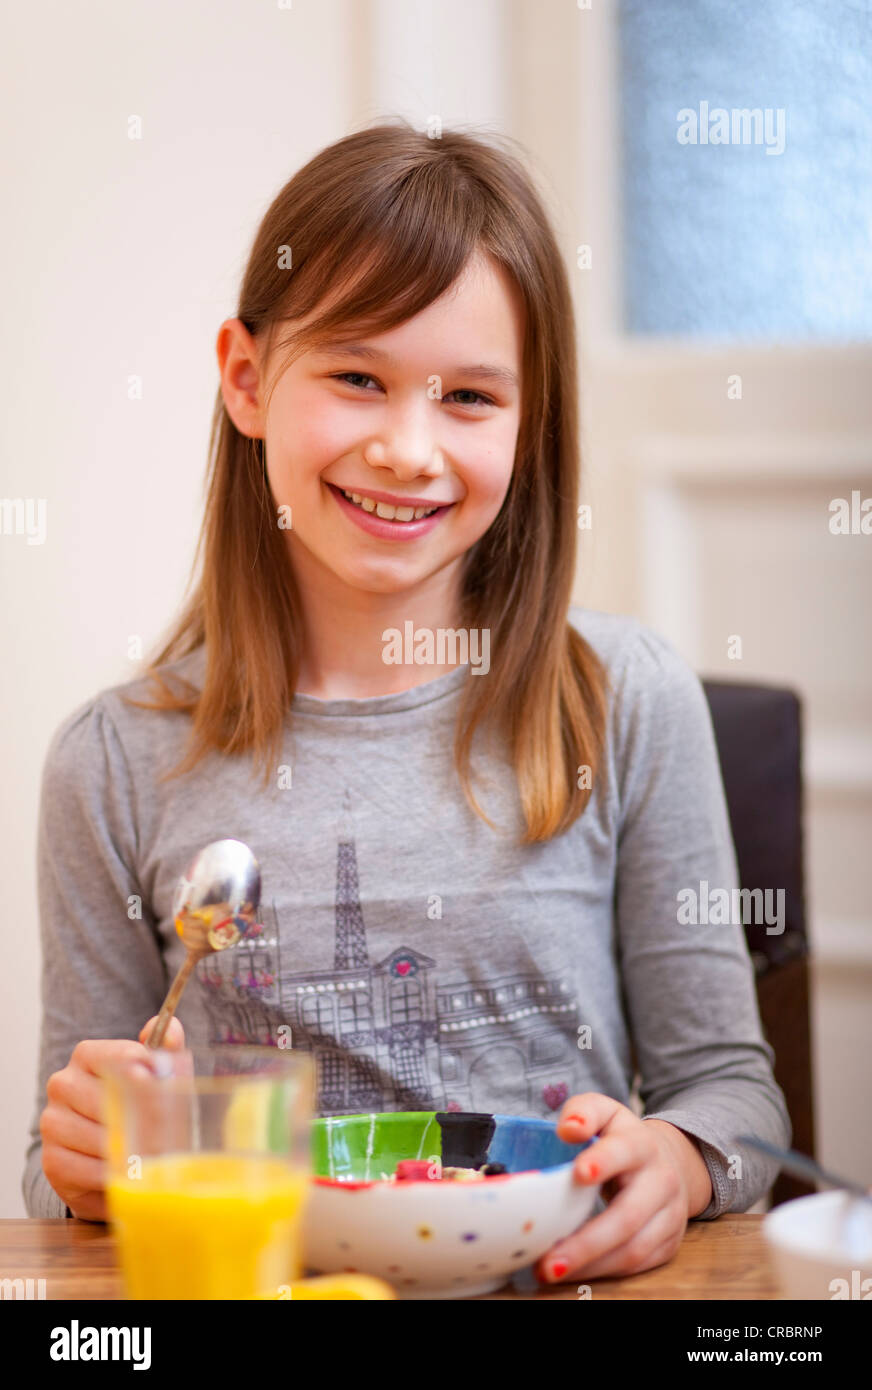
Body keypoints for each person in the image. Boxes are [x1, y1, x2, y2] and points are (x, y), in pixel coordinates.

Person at [25, 119, 790, 1286]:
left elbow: (728, 1094)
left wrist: (677, 1166)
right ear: (245, 379)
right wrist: (86, 1155)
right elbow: (57, 1173)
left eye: (469, 397)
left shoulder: (623, 701)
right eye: (355, 377)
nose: (406, 447)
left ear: (528, 424)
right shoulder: (113, 762)